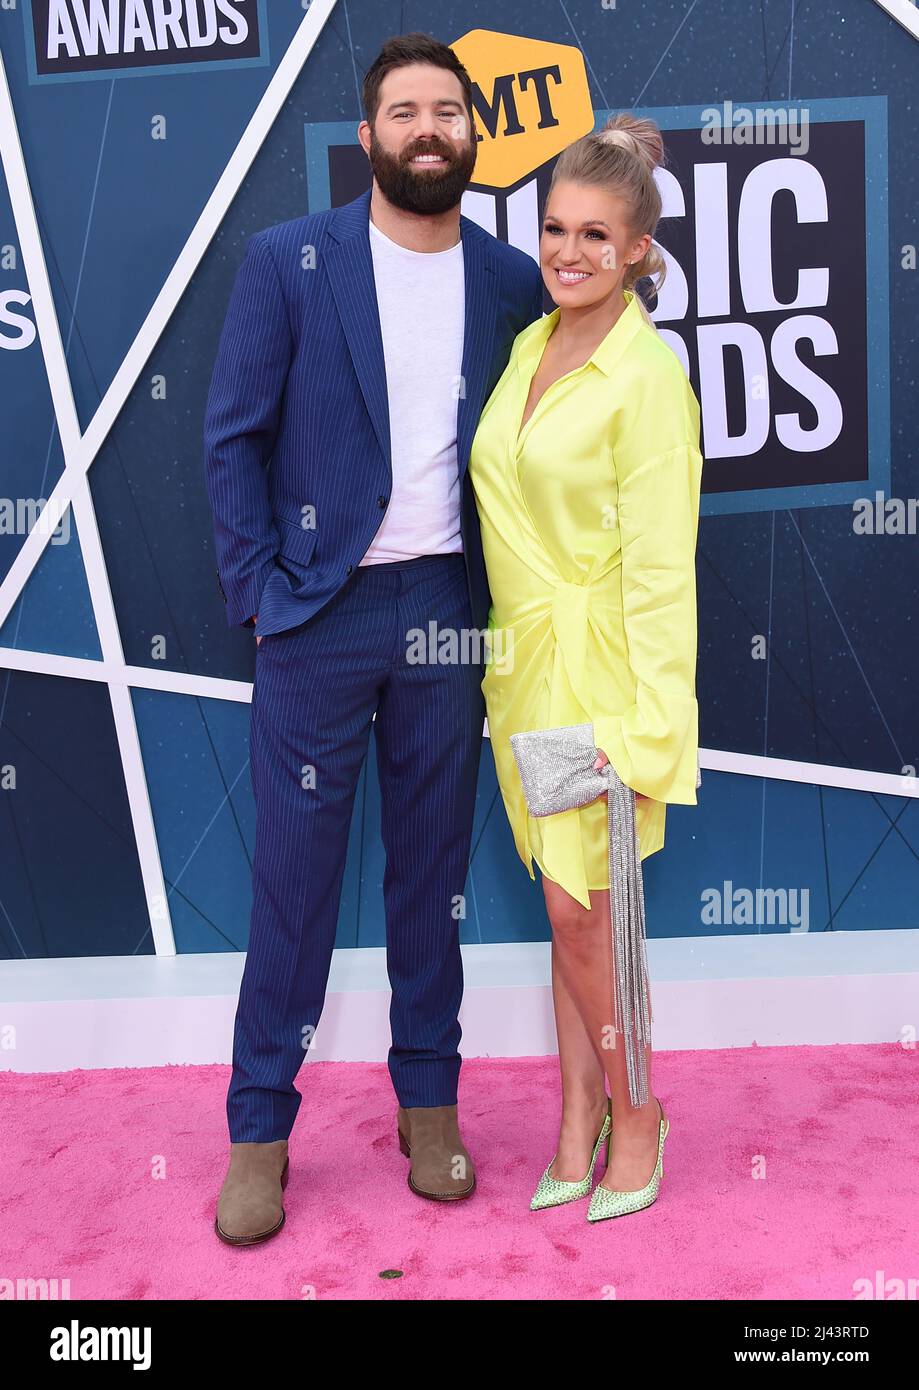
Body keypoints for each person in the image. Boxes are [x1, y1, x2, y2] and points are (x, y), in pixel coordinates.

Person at [203, 32, 543, 1244]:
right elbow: (231, 438)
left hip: (447, 618)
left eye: (445, 111)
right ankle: (257, 1131)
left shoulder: (508, 280)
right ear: (369, 137)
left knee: (430, 879)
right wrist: (262, 597)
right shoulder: (286, 262)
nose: (426, 129)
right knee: (291, 889)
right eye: (403, 111)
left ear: (470, 135)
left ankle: (430, 1104)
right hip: (316, 618)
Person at [468, 114, 703, 1223]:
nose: (568, 252)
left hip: (603, 679)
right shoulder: (532, 343)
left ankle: (640, 1108)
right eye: (555, 228)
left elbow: (662, 571)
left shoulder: (647, 376)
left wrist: (654, 728)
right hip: (523, 672)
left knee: (582, 914)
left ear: (640, 249)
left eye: (596, 237)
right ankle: (577, 1115)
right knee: (565, 911)